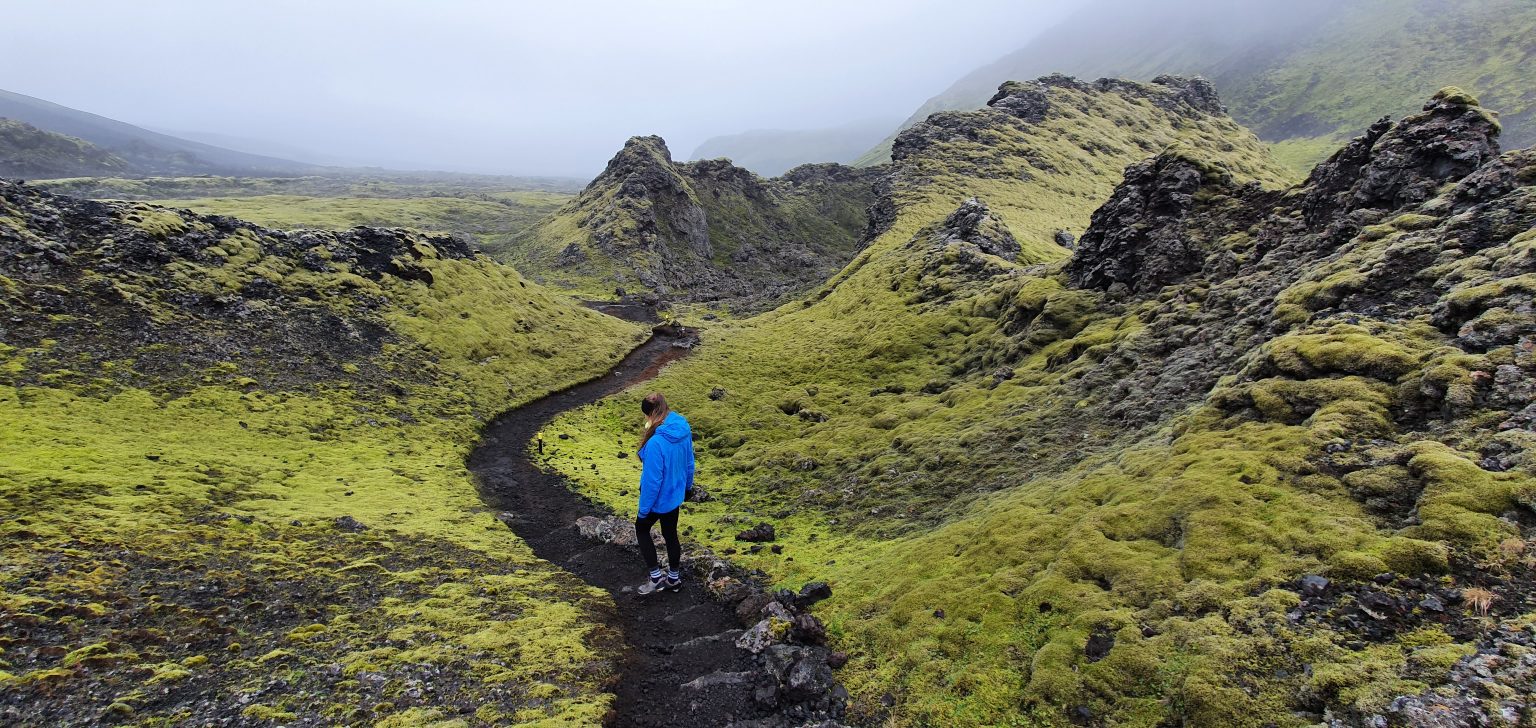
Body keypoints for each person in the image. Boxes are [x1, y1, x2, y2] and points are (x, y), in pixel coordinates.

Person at [634, 392, 693, 595]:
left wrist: (644, 510)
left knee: (641, 529)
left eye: (646, 415)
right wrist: (687, 488)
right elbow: (689, 462)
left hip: (658, 500)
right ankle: (674, 579)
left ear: (650, 414)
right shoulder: (682, 428)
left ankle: (656, 578)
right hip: (675, 496)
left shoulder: (655, 444)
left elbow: (652, 482)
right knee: (670, 534)